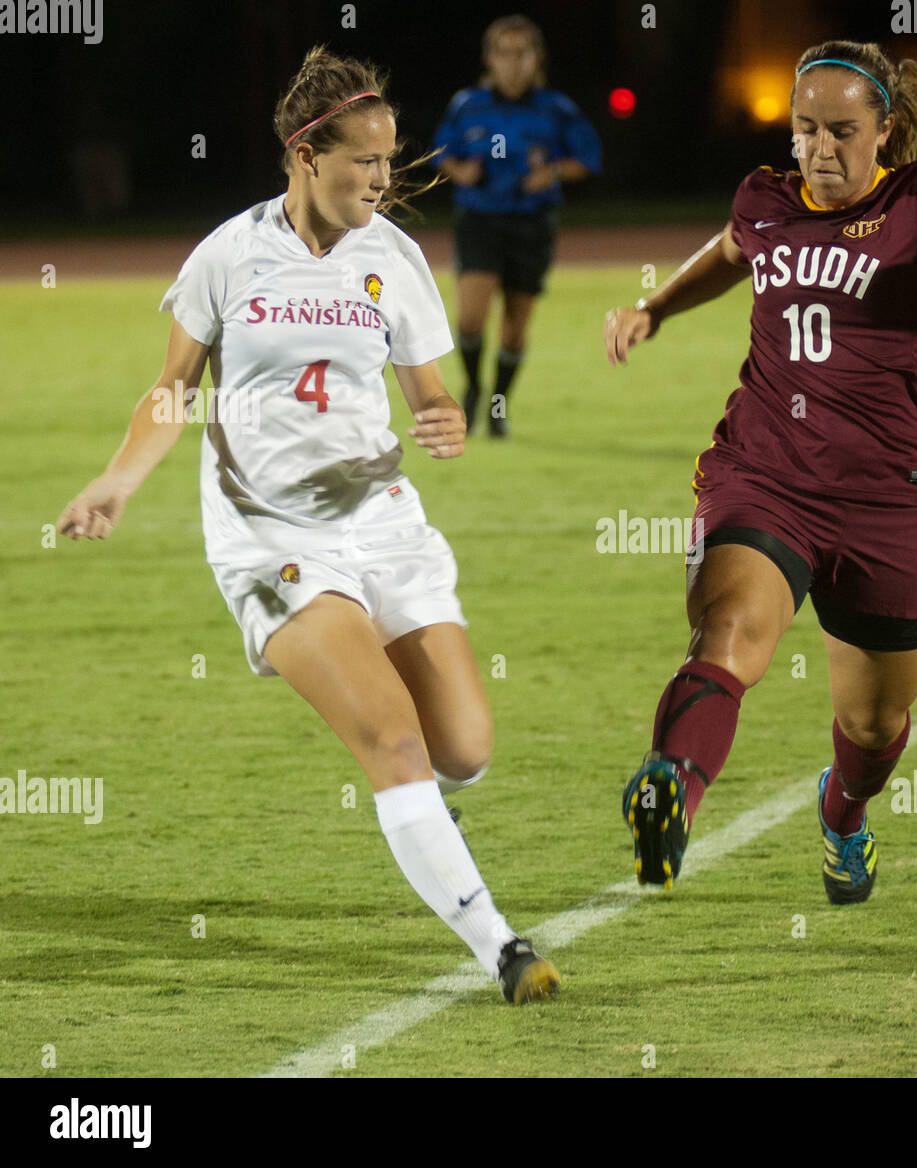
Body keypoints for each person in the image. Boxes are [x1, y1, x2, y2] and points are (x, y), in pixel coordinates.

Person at [56, 46, 561, 1003]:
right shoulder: (229, 254)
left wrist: (445, 417)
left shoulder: (396, 256)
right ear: (304, 154)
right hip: (270, 537)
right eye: (364, 161)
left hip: (384, 523)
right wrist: (118, 481)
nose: (384, 178)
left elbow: (426, 391)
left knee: (462, 748)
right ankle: (500, 944)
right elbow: (174, 389)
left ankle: (426, 825)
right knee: (393, 741)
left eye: (391, 159)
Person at [603, 40, 917, 901]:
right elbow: (735, 247)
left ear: (885, 128)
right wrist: (656, 308)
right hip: (764, 472)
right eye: (805, 128)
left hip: (888, 494)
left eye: (842, 131)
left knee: (875, 725)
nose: (819, 149)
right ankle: (672, 786)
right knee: (730, 629)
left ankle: (843, 814)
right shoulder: (767, 198)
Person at [434, 14, 601, 437]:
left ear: (536, 58)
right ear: (489, 58)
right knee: (470, 318)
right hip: (479, 219)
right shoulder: (467, 104)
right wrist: (459, 170)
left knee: (514, 329)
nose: (512, 62)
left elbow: (588, 159)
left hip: (531, 224)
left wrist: (555, 171)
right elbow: (442, 153)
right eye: (503, 53)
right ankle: (474, 387)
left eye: (520, 52)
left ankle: (498, 405)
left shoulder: (556, 109)